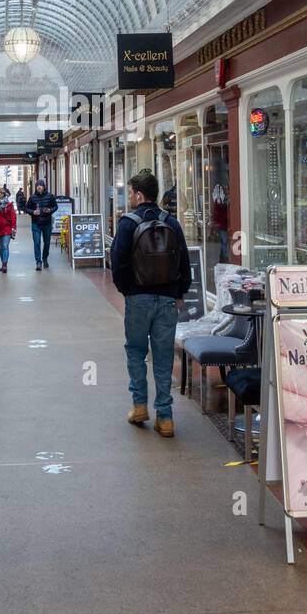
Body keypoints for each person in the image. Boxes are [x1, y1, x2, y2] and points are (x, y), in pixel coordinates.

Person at [110, 169, 191, 437]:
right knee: (164, 355)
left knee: (135, 351)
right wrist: (178, 292)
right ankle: (165, 418)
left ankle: (140, 406)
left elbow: (118, 263)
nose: (130, 196)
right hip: (168, 299)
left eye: (131, 192)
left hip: (138, 298)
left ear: (139, 194)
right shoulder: (172, 222)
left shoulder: (128, 224)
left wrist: (127, 291)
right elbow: (185, 263)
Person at [26, 179, 58, 270]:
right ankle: (38, 262)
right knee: (37, 243)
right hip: (36, 223)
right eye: (37, 186)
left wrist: (50, 210)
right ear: (36, 187)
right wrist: (33, 212)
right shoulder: (32, 197)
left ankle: (45, 259)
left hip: (47, 223)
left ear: (44, 187)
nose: (39, 187)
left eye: (41, 185)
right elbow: (26, 208)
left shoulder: (50, 196)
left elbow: (55, 206)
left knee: (47, 243)